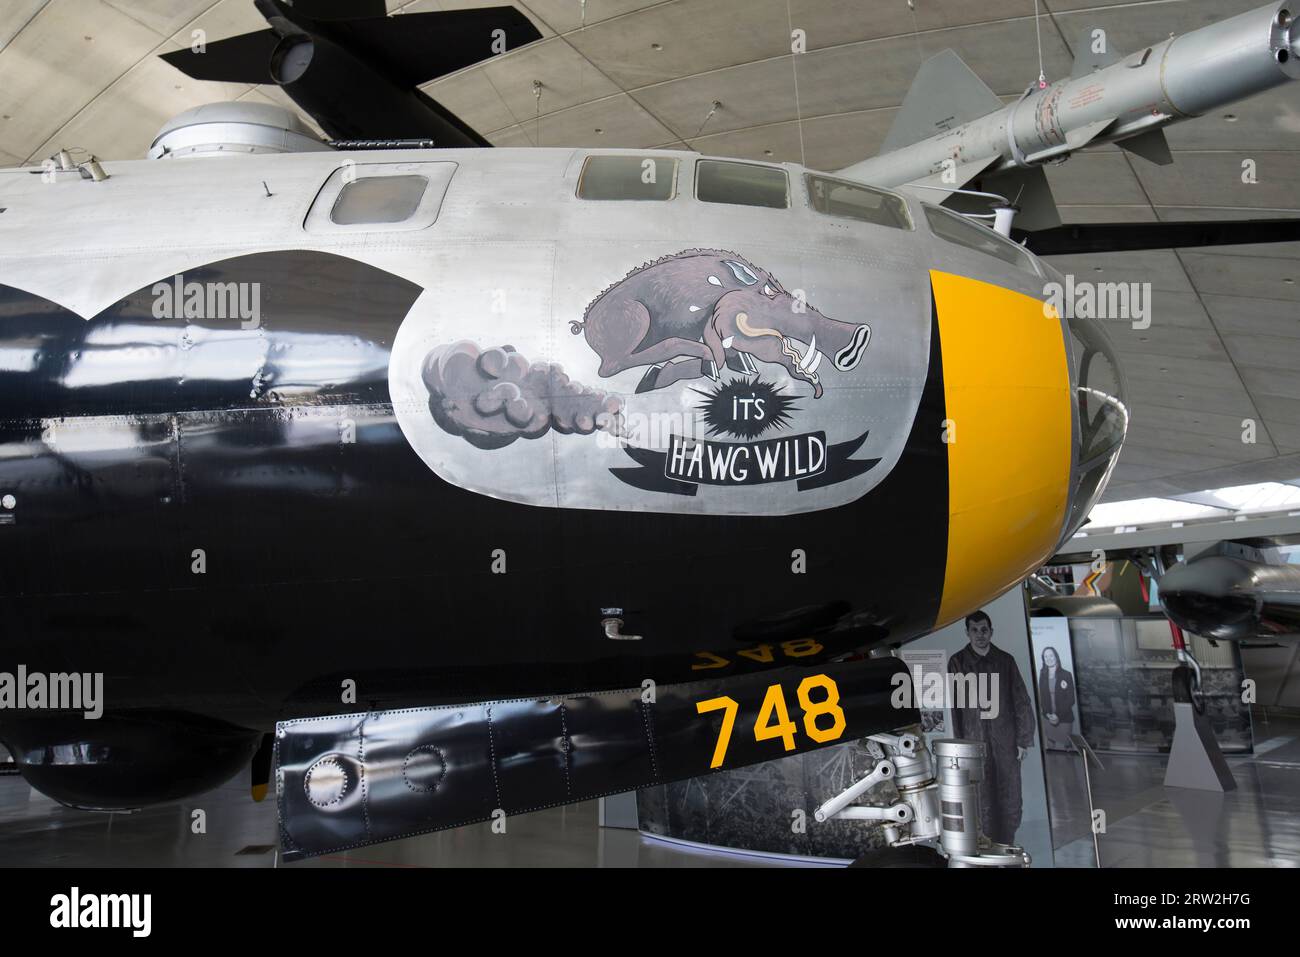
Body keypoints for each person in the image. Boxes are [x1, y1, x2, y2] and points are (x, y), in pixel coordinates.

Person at [948, 610, 1036, 847]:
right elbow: (955, 708)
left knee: (1011, 797)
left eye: (984, 630)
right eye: (974, 630)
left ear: (991, 632)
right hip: (974, 743)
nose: (980, 635)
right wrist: (960, 746)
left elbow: (1021, 700)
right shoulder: (957, 663)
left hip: (1006, 741)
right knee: (981, 798)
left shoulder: (1005, 661)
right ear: (967, 633)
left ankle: (1007, 845)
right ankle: (988, 848)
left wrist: (1023, 740)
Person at [1038, 646, 1076, 750]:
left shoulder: (1066, 675)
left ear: (1056, 656)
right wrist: (1047, 714)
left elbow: (1071, 699)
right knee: (1050, 745)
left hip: (1064, 717)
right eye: (1046, 656)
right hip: (1048, 717)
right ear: (1043, 659)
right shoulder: (1042, 674)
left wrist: (1057, 715)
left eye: (1051, 655)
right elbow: (1042, 697)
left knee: (1067, 745)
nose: (1048, 658)